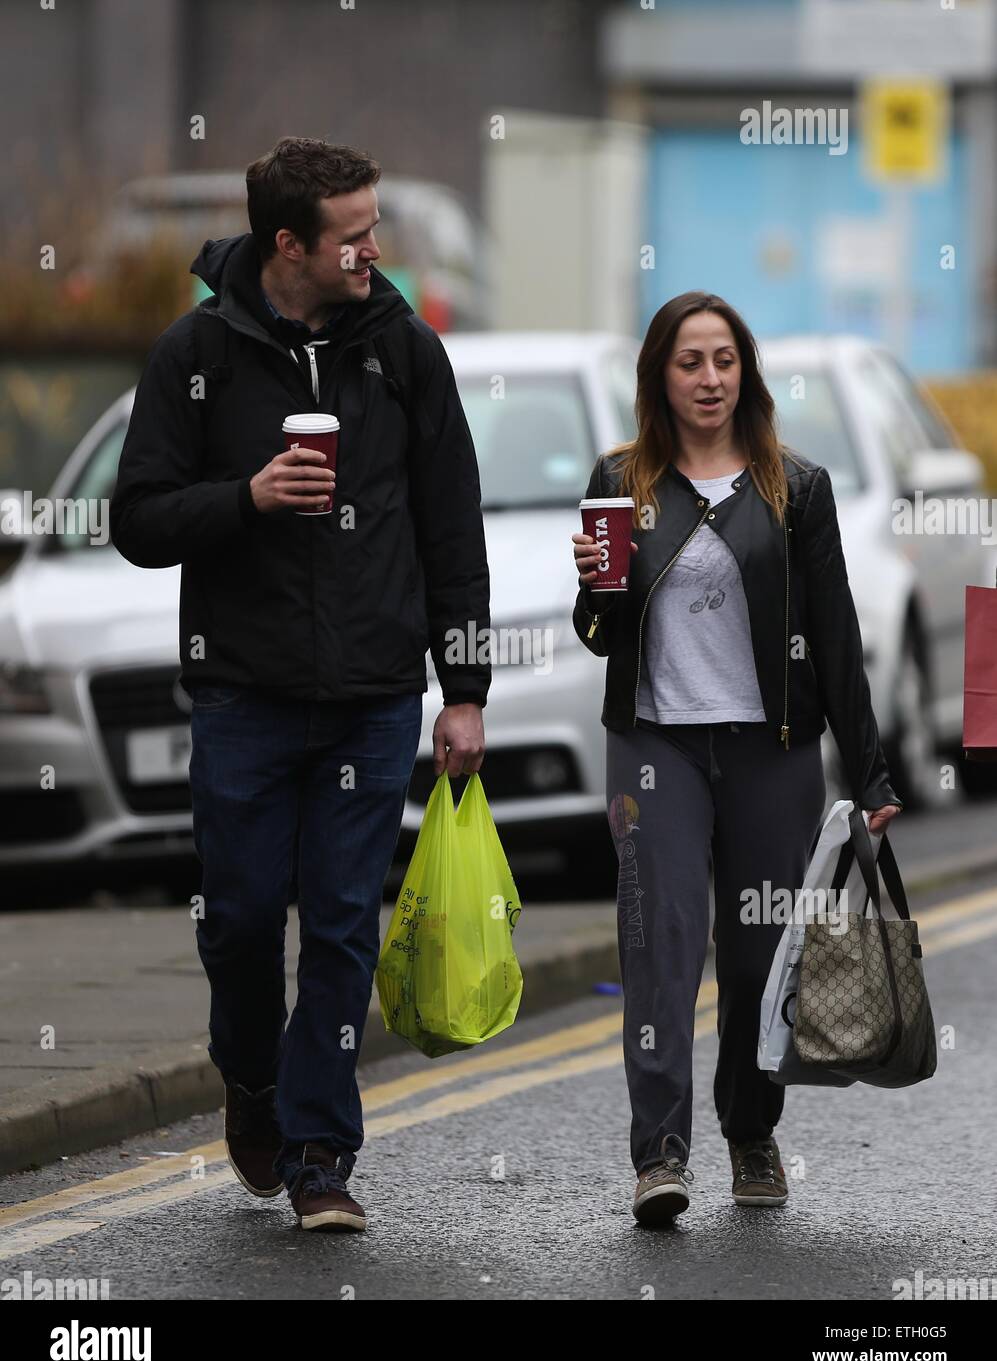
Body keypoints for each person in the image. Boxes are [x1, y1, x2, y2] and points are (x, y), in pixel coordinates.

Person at [110, 137, 489, 1233]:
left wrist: (461, 685)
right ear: (289, 244)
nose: (376, 249)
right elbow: (136, 520)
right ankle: (253, 1083)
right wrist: (250, 496)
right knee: (236, 921)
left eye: (375, 225)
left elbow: (450, 524)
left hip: (373, 693)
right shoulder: (197, 353)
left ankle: (322, 1153)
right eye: (355, 234)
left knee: (339, 926)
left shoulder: (404, 352)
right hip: (241, 692)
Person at [570, 291, 902, 1227]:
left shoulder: (794, 487)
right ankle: (659, 1155)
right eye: (689, 362)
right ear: (659, 378)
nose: (709, 379)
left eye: (723, 361)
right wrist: (598, 583)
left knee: (758, 962)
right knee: (660, 951)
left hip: (773, 751)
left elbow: (833, 638)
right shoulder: (619, 476)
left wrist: (871, 775)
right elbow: (597, 634)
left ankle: (750, 1133)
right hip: (654, 748)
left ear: (744, 373)